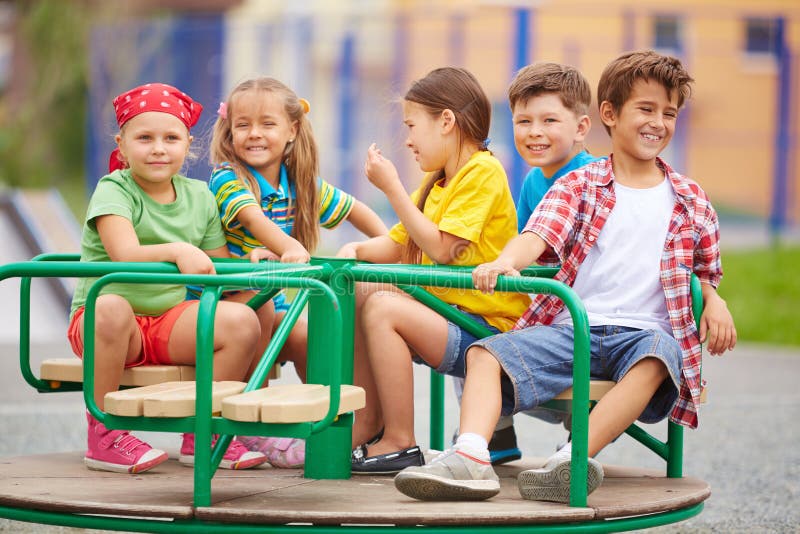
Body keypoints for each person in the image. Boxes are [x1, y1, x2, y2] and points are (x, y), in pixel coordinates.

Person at [394, 50, 737, 503]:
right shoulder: (579, 184)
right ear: (610, 115)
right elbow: (538, 233)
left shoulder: (690, 198)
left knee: (661, 355)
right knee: (484, 354)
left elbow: (704, 267)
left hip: (642, 334)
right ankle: (472, 456)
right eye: (646, 109)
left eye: (668, 113)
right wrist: (506, 262)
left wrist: (715, 300)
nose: (658, 122)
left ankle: (573, 458)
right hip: (577, 327)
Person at [339, 67, 530, 475]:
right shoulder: (438, 181)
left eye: (412, 125)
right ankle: (369, 423)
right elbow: (399, 243)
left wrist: (391, 188)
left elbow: (442, 248)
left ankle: (400, 440)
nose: (407, 139)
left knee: (383, 307)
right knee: (361, 288)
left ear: (446, 121)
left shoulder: (482, 171)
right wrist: (353, 251)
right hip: (452, 316)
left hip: (487, 331)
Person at [69, 83, 268, 474]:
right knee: (110, 306)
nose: (159, 148)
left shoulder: (199, 197)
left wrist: (252, 262)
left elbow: (217, 271)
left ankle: (204, 431)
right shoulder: (114, 189)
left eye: (170, 138)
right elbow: (123, 254)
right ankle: (104, 434)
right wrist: (177, 250)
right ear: (122, 145)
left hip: (166, 321)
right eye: (144, 138)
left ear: (188, 144)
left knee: (241, 321)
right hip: (107, 327)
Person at [207, 77, 387, 468]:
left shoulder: (301, 183)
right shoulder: (228, 177)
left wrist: (390, 245)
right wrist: (289, 247)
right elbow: (254, 221)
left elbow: (356, 209)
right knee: (259, 314)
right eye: (243, 125)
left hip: (275, 303)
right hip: (229, 301)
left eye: (267, 124)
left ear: (291, 131)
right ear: (230, 130)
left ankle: (336, 428)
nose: (254, 134)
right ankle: (245, 424)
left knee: (318, 333)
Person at [451, 62, 603, 465]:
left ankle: (575, 447)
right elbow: (522, 239)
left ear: (581, 127)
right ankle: (495, 434)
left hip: (583, 308)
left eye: (549, 120)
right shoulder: (534, 181)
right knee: (468, 327)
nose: (535, 131)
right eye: (524, 121)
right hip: (542, 303)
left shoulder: (591, 176)